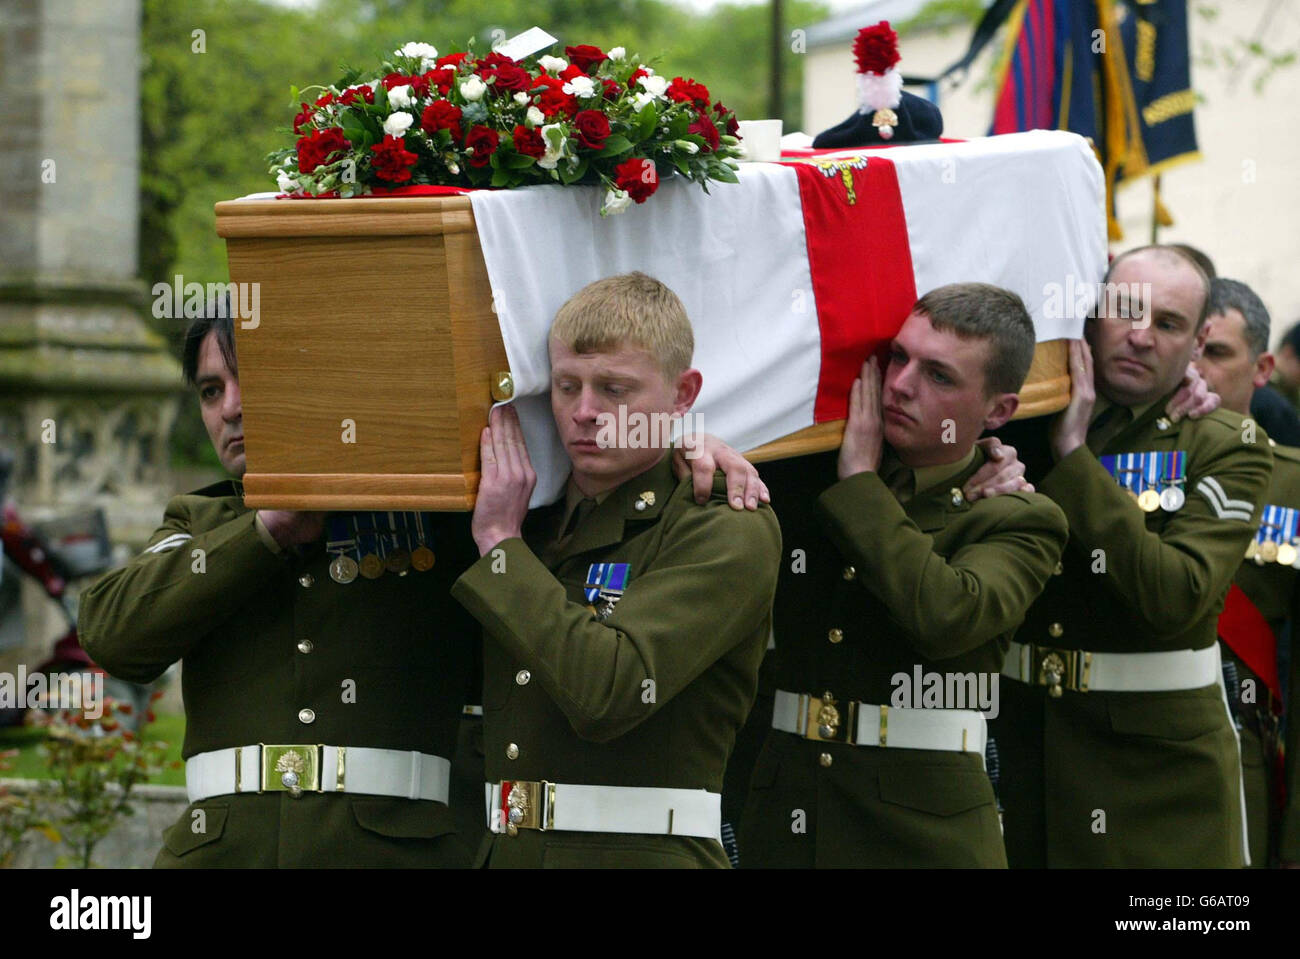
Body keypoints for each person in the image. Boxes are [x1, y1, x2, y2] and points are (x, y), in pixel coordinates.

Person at [78, 306, 481, 867]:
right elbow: (110, 633)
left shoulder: (429, 514)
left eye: (253, 381)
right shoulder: (199, 522)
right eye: (211, 391)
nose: (231, 409)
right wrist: (268, 530)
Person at [451, 272, 782, 868]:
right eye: (564, 386)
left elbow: (610, 691)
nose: (583, 412)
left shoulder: (723, 523)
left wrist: (500, 543)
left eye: (614, 389)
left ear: (683, 395)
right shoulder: (540, 520)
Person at [739, 283, 1067, 867]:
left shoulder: (1019, 517)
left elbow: (945, 616)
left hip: (921, 833)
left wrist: (861, 484)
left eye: (939, 375)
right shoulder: (808, 472)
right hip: (790, 810)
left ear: (998, 411)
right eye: (898, 357)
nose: (900, 385)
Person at [992, 245, 1272, 867]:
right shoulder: (1021, 421)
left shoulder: (1228, 443)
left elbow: (1174, 597)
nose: (1140, 337)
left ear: (1197, 343)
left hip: (1157, 782)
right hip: (1026, 753)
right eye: (1125, 310)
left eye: (1168, 324)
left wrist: (1074, 460)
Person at [1195, 276, 1299, 867]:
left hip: (1242, 752)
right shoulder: (1110, 467)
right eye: (1187, 347)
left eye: (1216, 352)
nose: (1195, 368)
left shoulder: (1293, 484)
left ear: (1261, 368)